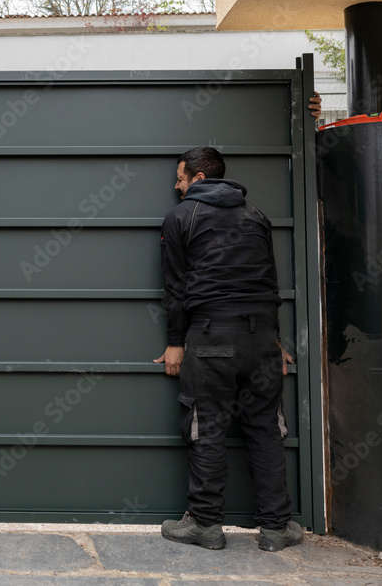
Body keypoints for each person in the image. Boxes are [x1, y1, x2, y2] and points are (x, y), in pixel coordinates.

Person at [153, 146, 303, 552]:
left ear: (199, 178)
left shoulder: (180, 217)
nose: (176, 186)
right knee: (267, 431)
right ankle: (276, 528)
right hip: (261, 341)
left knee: (206, 429)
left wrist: (174, 343)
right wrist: (277, 342)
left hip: (212, 337)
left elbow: (176, 288)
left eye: (181, 178)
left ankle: (205, 525)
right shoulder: (255, 216)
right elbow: (270, 285)